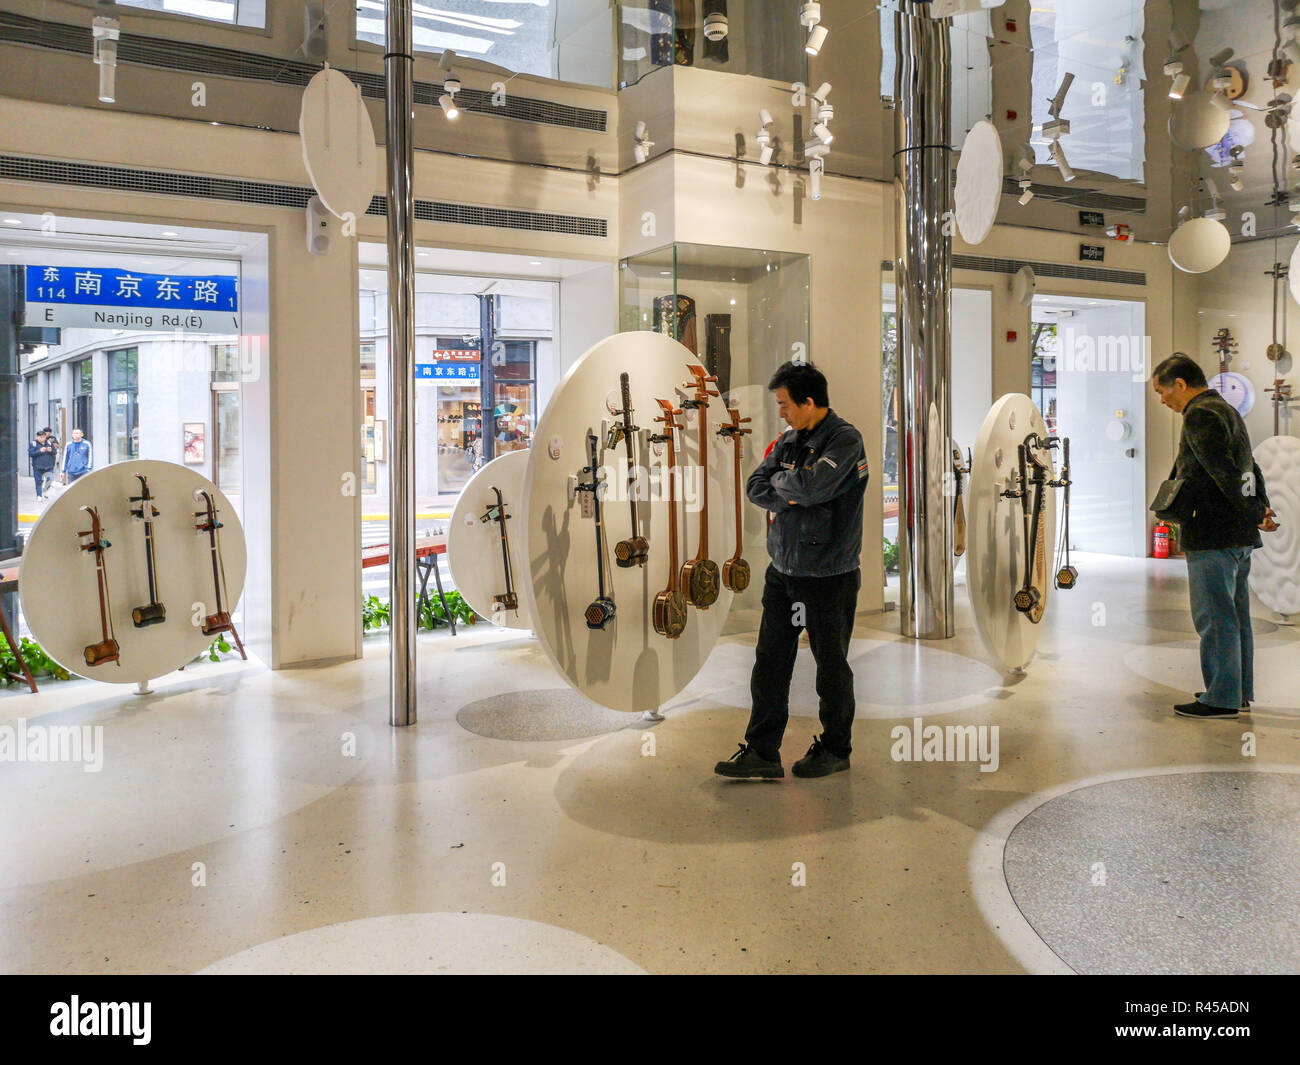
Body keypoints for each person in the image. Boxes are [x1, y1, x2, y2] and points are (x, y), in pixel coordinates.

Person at [715, 361, 869, 779]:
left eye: (784, 404)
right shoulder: (788, 440)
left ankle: (837, 748)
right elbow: (755, 486)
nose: (781, 412)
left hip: (827, 578)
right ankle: (763, 752)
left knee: (830, 666)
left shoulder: (845, 440)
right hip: (783, 572)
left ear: (809, 401)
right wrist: (794, 492)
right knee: (770, 662)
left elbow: (813, 487)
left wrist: (794, 488)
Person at [1151, 353, 1279, 720]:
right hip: (1237, 535)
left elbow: (1223, 472)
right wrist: (1260, 508)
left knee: (1215, 618)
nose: (1162, 400)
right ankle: (1235, 691)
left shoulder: (1199, 414)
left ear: (1180, 384)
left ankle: (1221, 698)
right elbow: (1249, 466)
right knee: (1235, 616)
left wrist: (1256, 512)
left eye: (1162, 391)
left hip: (1212, 533)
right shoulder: (1227, 410)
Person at [28, 428, 58, 500]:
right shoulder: (33, 444)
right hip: (38, 466)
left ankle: (46, 492)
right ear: (37, 437)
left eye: (43, 437)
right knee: (38, 481)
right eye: (40, 437)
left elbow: (55, 452)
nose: (42, 438)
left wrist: (51, 451)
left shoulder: (49, 443)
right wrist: (39, 451)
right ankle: (39, 495)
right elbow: (31, 454)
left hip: (49, 466)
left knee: (49, 479)